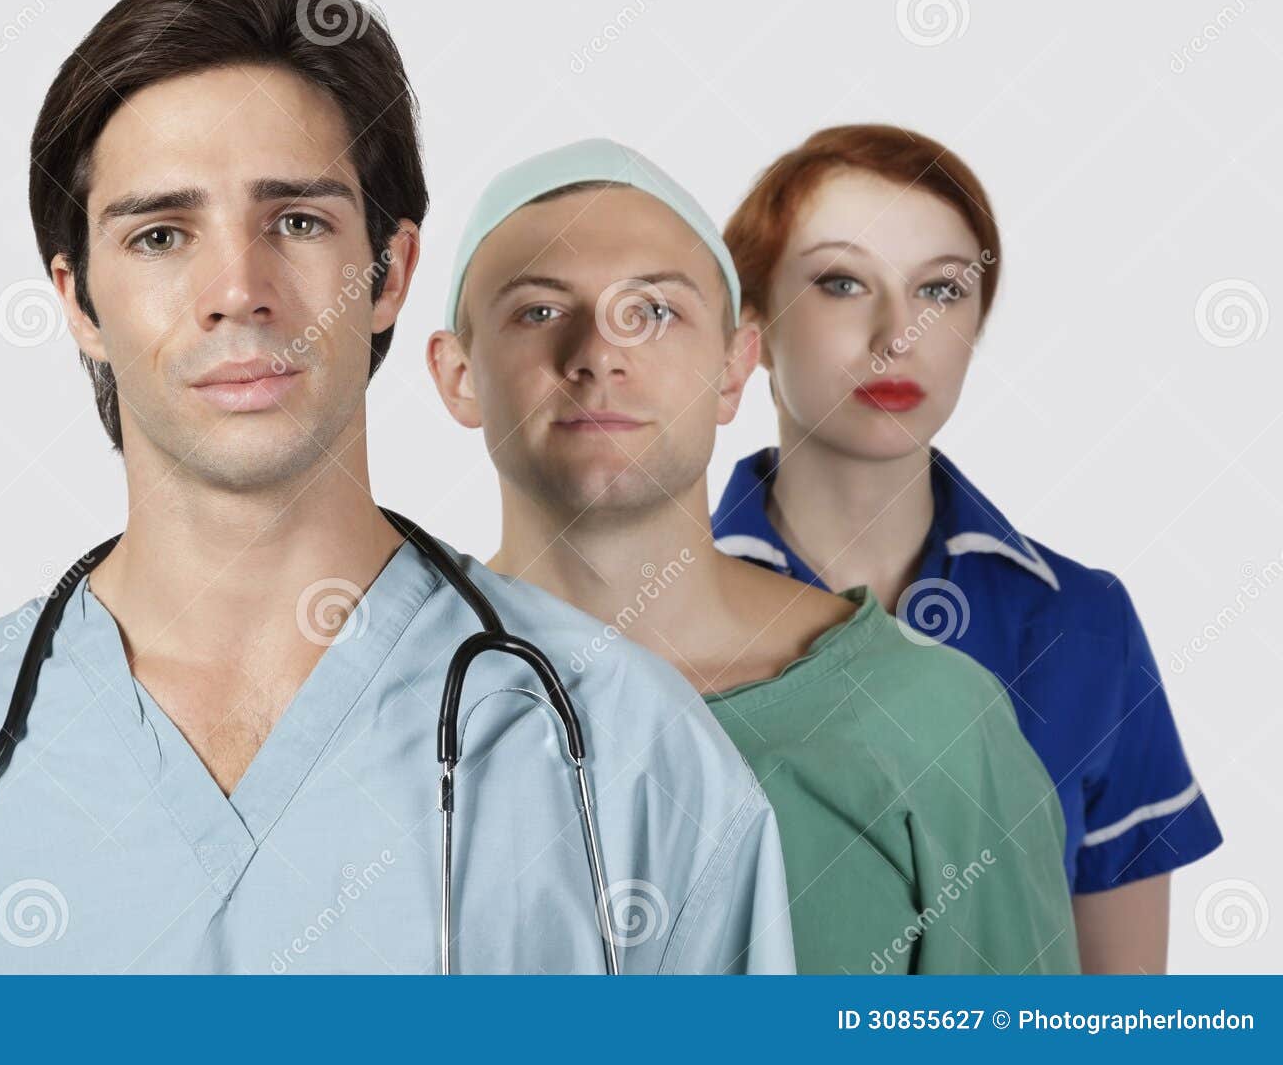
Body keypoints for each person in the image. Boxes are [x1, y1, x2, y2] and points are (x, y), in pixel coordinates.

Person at [0, 0, 794, 975]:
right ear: (78, 301)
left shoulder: (625, 755)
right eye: (159, 235)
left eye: (297, 220)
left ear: (389, 272)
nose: (238, 288)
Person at [425, 137, 1079, 973]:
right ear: (459, 375)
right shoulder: (368, 705)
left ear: (734, 368)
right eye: (540, 311)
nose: (598, 354)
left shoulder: (930, 720)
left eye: (653, 311)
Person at [710, 124, 1222, 972]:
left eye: (940, 290)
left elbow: (1122, 1019)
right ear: (750, 325)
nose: (897, 333)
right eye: (841, 282)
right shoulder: (642, 620)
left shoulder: (1084, 625)